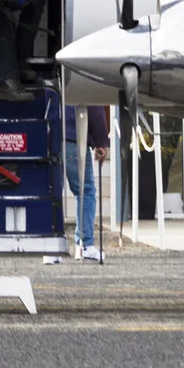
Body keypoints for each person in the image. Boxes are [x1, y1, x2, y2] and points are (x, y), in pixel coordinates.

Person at [63, 104, 110, 258]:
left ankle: (51, 247)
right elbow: (94, 108)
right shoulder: (80, 85)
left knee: (52, 192)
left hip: (49, 137)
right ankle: (84, 245)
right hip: (75, 137)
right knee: (85, 192)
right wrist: (100, 142)